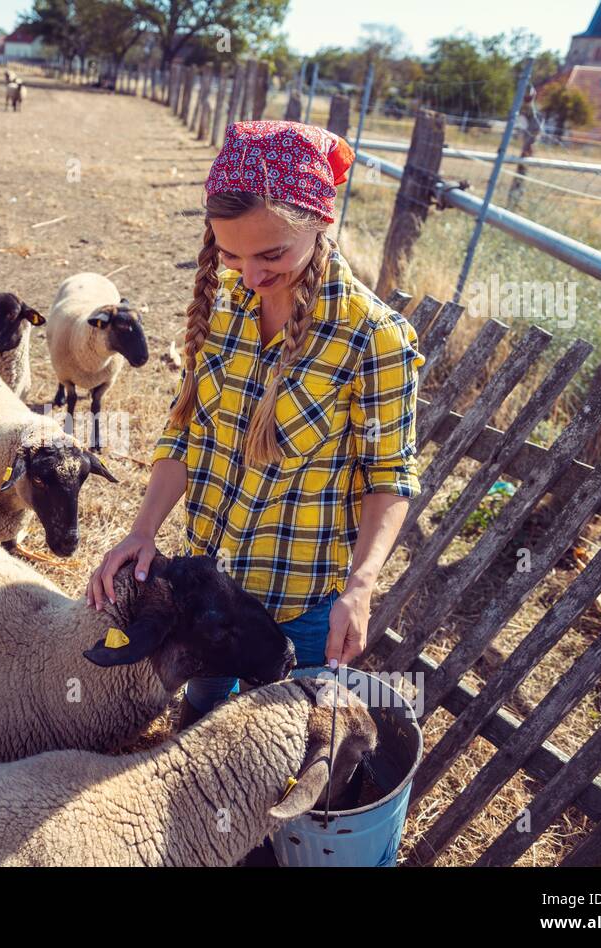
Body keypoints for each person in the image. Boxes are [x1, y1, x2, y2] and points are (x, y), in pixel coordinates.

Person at [87, 120, 424, 729]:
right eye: (231, 254)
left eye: (271, 255)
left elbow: (389, 476)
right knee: (199, 752)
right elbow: (183, 435)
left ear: (320, 223)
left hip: (299, 606)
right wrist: (142, 530)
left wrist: (361, 587)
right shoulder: (225, 312)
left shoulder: (374, 338)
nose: (249, 276)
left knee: (287, 769)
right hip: (209, 604)